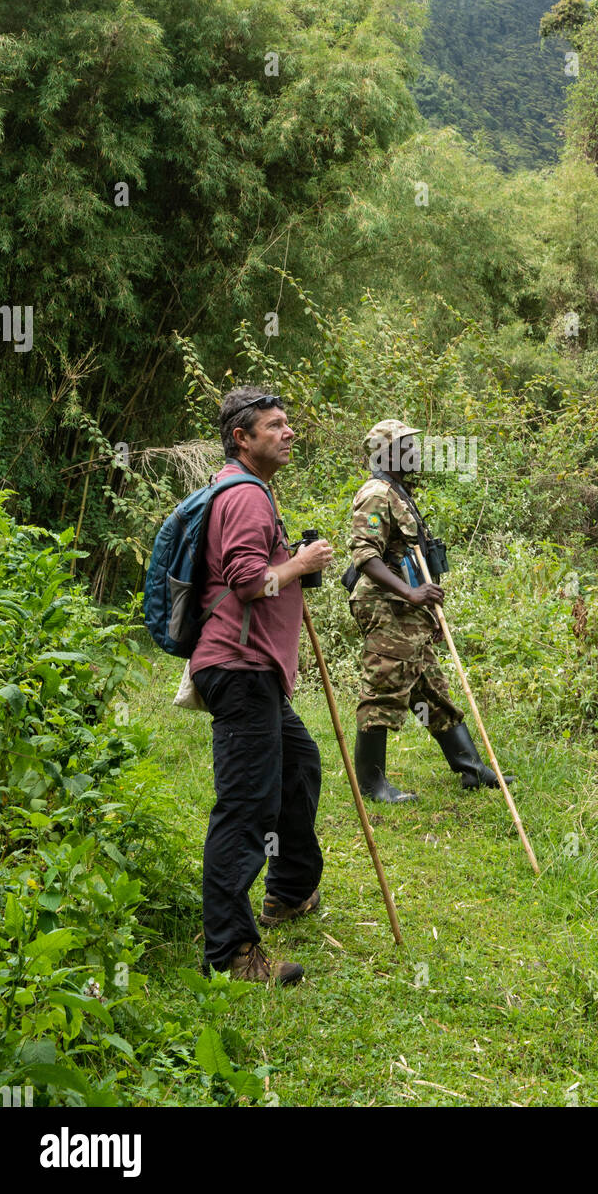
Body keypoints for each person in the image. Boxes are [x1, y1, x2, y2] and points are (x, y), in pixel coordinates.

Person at [189, 387, 333, 984]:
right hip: (241, 669)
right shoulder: (246, 495)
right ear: (241, 439)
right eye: (275, 425)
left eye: (288, 422)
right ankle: (230, 953)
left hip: (257, 672)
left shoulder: (246, 491)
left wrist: (293, 560)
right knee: (246, 809)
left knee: (298, 765)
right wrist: (302, 564)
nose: (289, 431)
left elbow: (251, 571)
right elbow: (250, 584)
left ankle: (290, 889)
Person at [348, 418, 513, 803]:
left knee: (430, 692)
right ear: (387, 454)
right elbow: (364, 555)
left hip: (409, 610)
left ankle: (472, 770)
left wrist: (428, 611)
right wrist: (412, 594)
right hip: (386, 606)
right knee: (383, 691)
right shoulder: (375, 493)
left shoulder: (399, 491)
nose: (417, 453)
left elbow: (413, 557)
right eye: (407, 446)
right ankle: (373, 786)